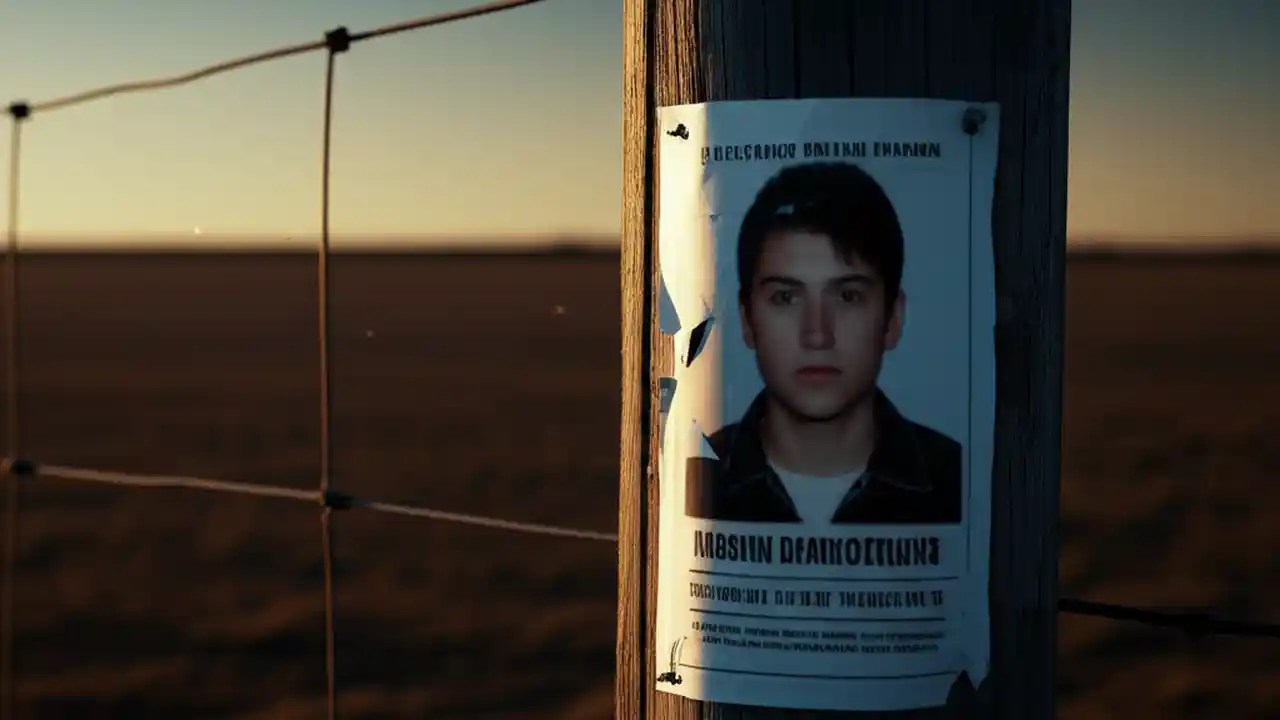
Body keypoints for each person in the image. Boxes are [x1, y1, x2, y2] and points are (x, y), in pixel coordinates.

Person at [684, 161, 961, 525]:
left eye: (847, 296)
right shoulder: (696, 473)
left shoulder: (958, 480)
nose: (817, 335)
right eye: (785, 297)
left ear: (892, 319)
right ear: (748, 319)